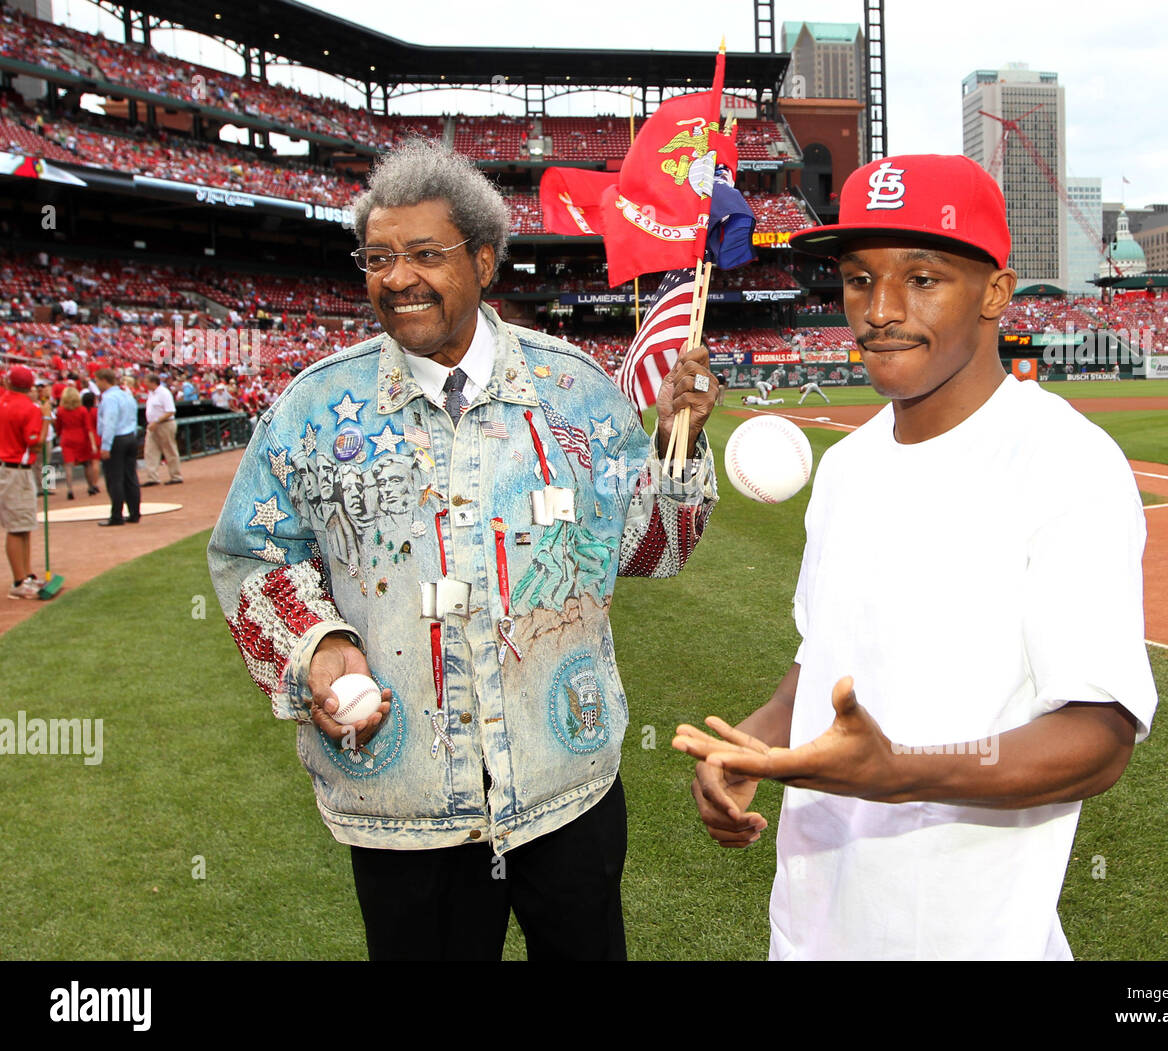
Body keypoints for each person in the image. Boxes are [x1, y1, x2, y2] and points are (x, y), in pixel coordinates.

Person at [207, 138, 720, 961]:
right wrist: (321, 647)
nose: (397, 276)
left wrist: (676, 442)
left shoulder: (573, 390)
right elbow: (251, 555)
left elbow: (656, 546)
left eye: (424, 253)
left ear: (483, 259)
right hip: (406, 804)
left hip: (565, 785)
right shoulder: (312, 410)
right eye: (377, 257)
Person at [674, 154, 1158, 960]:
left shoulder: (1067, 462)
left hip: (972, 936)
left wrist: (904, 769)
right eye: (859, 280)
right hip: (813, 928)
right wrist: (758, 745)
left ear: (995, 294)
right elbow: (824, 660)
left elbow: (1099, 735)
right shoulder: (849, 466)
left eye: (922, 277)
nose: (880, 310)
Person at [1, 365, 47, 599]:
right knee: (18, 527)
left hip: (9, 467)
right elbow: (36, 444)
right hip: (16, 468)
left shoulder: (3, 400)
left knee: (23, 524)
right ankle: (19, 581)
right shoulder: (29, 408)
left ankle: (26, 575)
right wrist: (46, 418)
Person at [93, 367, 141, 526]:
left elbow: (110, 422)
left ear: (104, 380)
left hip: (116, 439)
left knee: (115, 479)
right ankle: (134, 513)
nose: (96, 383)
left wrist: (106, 446)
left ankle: (116, 516)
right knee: (130, 477)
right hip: (130, 436)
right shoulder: (126, 394)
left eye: (97, 380)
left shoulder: (109, 398)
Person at [53, 385, 98, 498]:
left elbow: (58, 426)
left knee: (68, 465)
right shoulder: (82, 410)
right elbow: (88, 427)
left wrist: (59, 436)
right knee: (87, 463)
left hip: (67, 438)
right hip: (82, 438)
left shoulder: (60, 410)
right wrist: (92, 443)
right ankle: (90, 486)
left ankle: (70, 490)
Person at [142, 373, 182, 486]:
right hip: (152, 426)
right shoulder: (151, 393)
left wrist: (157, 421)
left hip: (165, 424)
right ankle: (152, 478)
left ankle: (176, 476)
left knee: (170, 450)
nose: (144, 383)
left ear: (153, 382)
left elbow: (171, 411)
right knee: (150, 451)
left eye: (146, 381)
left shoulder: (164, 393)